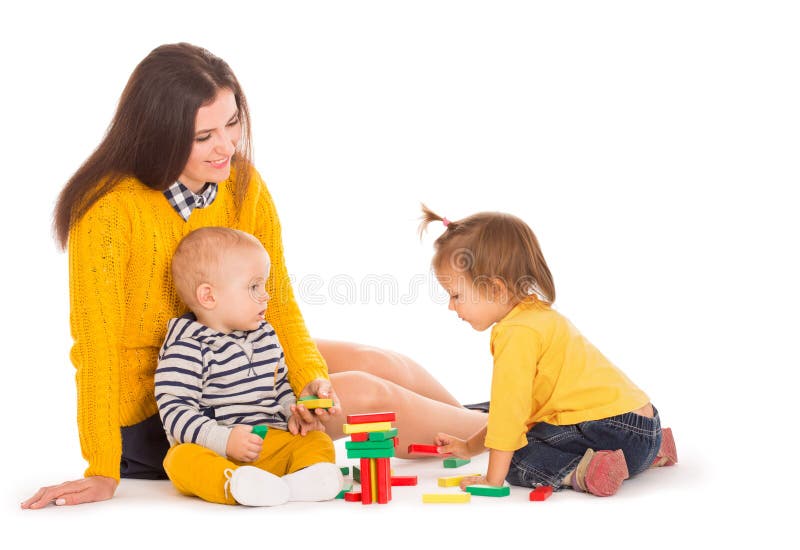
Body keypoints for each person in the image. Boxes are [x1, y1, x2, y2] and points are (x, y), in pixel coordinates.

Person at [22, 43, 485, 510]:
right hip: (175, 407)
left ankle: (491, 423)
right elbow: (95, 348)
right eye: (204, 136)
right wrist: (101, 468)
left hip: (235, 353)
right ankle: (513, 439)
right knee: (367, 394)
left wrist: (309, 378)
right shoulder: (108, 211)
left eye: (232, 123)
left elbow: (276, 300)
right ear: (159, 135)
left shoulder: (241, 183)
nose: (227, 146)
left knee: (376, 361)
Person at [421, 206, 678, 497]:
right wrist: (469, 446)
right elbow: (513, 412)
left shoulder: (515, 333)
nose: (451, 306)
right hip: (645, 427)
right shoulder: (537, 315)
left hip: (610, 432)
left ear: (495, 289)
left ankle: (584, 471)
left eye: (456, 295)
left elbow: (508, 417)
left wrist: (493, 479)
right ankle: (654, 452)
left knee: (517, 458)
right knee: (527, 434)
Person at [156, 227, 342, 506]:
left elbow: (279, 387)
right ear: (209, 296)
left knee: (316, 439)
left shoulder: (264, 335)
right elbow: (175, 411)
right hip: (218, 451)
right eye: (254, 287)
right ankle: (234, 485)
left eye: (264, 286)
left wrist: (291, 413)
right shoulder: (188, 346)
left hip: (268, 442)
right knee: (179, 460)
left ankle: (303, 480)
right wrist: (225, 440)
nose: (265, 296)